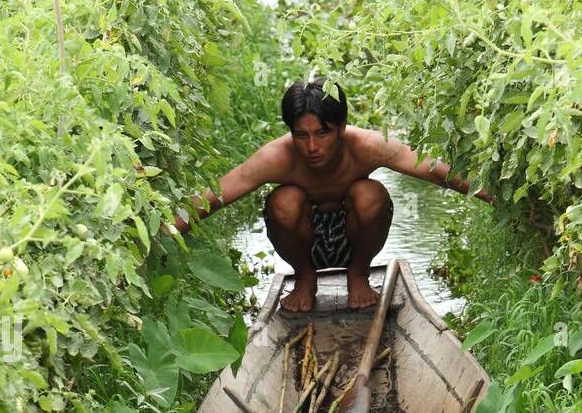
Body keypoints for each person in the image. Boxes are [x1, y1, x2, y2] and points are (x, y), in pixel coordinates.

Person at [171, 77, 491, 312]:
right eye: (302, 135)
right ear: (291, 132)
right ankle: (306, 280)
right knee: (282, 201)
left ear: (342, 127)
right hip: (303, 243)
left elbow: (432, 168)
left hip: (356, 241)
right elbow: (217, 194)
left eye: (322, 133)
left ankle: (358, 275)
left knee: (370, 194)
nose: (312, 147)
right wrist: (165, 231)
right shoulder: (277, 157)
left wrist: (493, 197)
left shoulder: (366, 146)